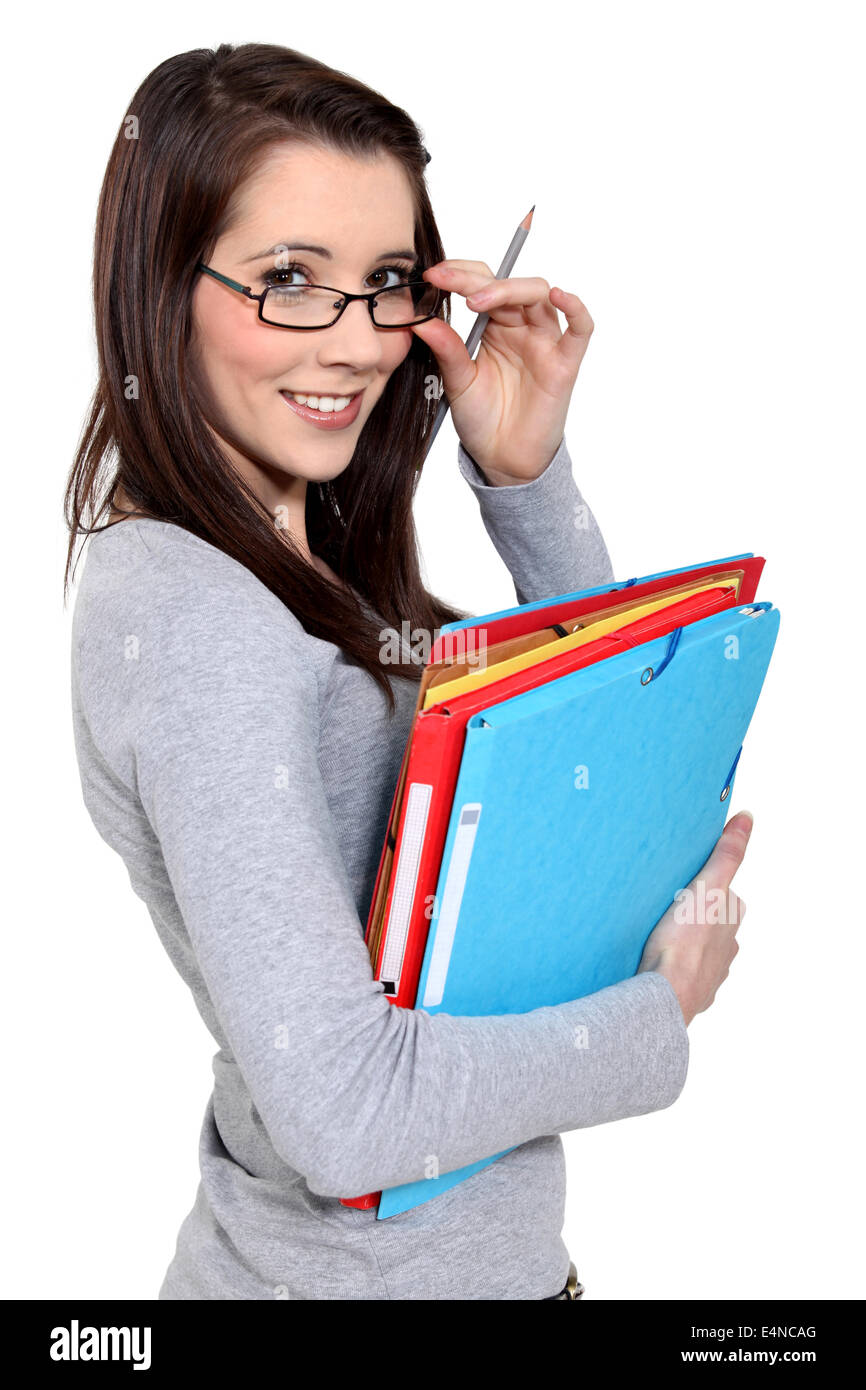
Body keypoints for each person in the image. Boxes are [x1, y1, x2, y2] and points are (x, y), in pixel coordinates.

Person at [65, 42, 752, 1301]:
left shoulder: (301, 559)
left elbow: (580, 771)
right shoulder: (193, 617)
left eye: (384, 282)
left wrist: (524, 473)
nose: (356, 343)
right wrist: (657, 1016)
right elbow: (344, 1116)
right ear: (159, 287)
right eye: (286, 280)